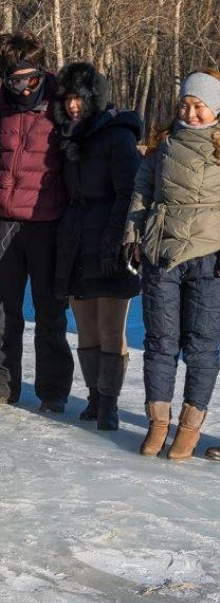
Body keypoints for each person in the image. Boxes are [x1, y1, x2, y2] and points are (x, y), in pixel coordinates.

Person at [0, 31, 72, 411]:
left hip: (48, 221)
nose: (25, 86)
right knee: (2, 307)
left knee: (49, 309)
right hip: (4, 220)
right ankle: (2, 383)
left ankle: (53, 391)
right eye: (16, 79)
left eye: (32, 77)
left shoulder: (61, 105)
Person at [126, 70, 220, 460]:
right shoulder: (163, 144)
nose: (191, 112)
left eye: (200, 106)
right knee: (160, 343)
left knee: (202, 346)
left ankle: (190, 427)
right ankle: (158, 423)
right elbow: (143, 191)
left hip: (209, 254)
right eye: (186, 104)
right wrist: (133, 236)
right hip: (161, 251)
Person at [52, 63, 141, 431]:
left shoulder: (117, 136)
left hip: (110, 239)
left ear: (95, 98)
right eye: (69, 98)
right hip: (75, 239)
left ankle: (110, 403)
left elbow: (128, 193)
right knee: (84, 328)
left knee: (110, 329)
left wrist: (117, 240)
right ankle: (92, 395)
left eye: (81, 98)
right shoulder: (68, 136)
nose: (74, 105)